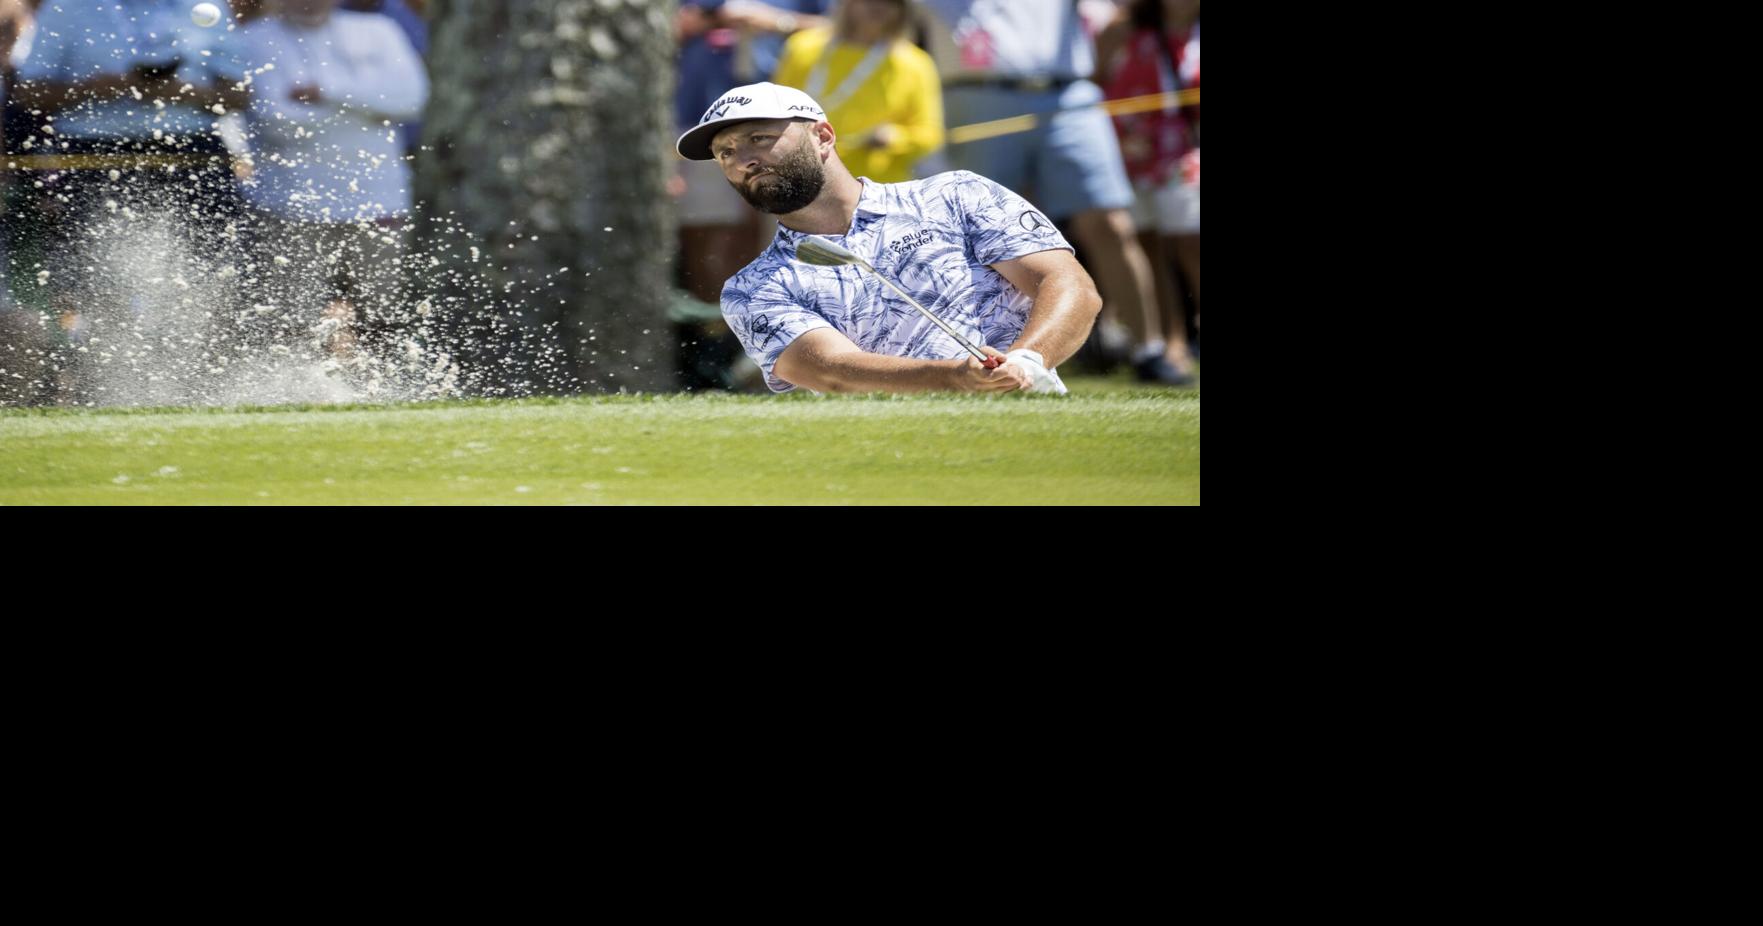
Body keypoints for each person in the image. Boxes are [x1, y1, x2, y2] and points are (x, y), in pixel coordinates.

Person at [677, 81, 1099, 395]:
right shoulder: (750, 289)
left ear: (822, 136)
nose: (744, 160)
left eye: (759, 139)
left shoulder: (956, 195)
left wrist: (1027, 361)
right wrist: (958, 377)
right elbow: (833, 370)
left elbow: (1068, 284)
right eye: (725, 153)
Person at [917, 0, 1195, 384]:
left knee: (1110, 224)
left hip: (1069, 95)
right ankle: (967, 354)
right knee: (970, 234)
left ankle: (1148, 351)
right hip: (976, 94)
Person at [216, 0, 428, 364]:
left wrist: (328, 92)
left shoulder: (378, 30)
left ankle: (383, 391)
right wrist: (368, 112)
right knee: (289, 323)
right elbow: (277, 120)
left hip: (379, 200)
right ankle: (296, 392)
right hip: (289, 205)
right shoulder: (252, 39)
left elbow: (411, 99)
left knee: (383, 319)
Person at [771, 0, 944, 184]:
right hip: (802, 178)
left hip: (875, 186)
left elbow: (930, 135)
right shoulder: (802, 46)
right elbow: (774, 111)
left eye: (893, 2)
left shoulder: (915, 64)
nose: (879, 6)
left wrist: (894, 138)